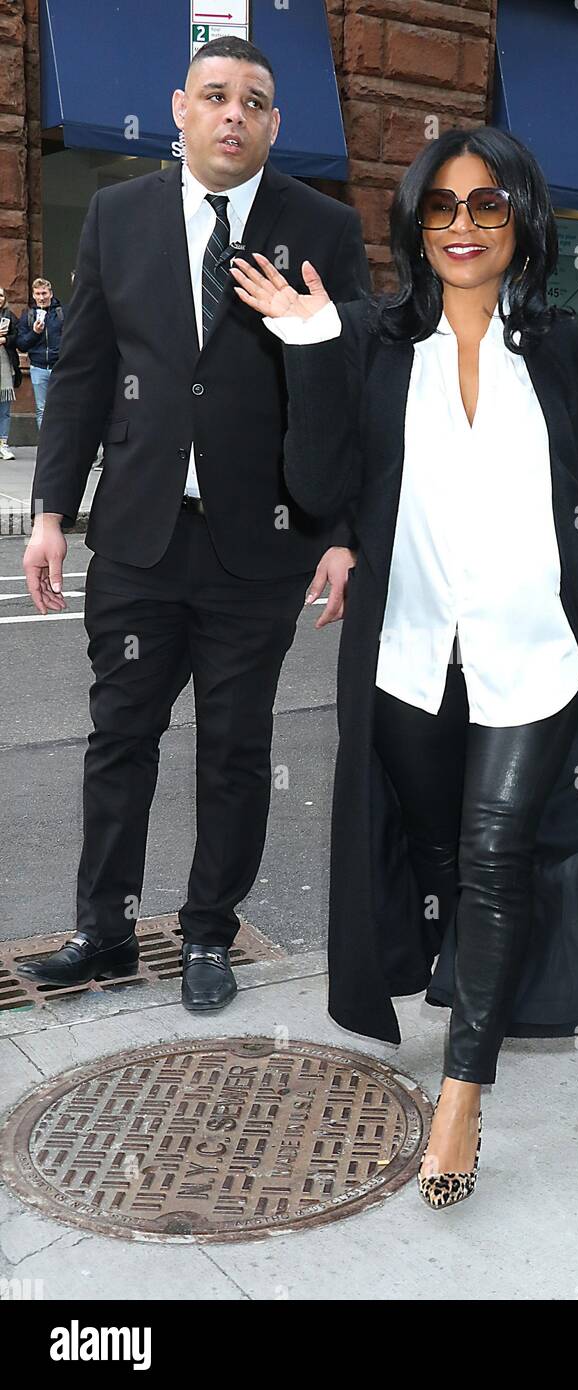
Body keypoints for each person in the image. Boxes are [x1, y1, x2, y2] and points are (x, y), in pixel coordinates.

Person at [231, 125, 578, 1207]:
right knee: (433, 847)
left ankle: (461, 1097)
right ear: (415, 223)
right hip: (413, 655)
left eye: (484, 206)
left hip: (530, 652)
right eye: (440, 207)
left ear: (519, 221)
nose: (461, 227)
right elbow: (319, 474)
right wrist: (305, 345)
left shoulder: (562, 345)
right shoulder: (374, 337)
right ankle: (466, 966)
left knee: (489, 855)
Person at [20, 37, 369, 1011]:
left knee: (235, 745)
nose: (232, 115)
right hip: (138, 536)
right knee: (118, 736)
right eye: (214, 96)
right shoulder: (117, 216)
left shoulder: (324, 230)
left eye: (253, 102)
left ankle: (209, 931)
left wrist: (339, 531)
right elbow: (84, 373)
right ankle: (103, 927)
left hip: (258, 546)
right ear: (179, 107)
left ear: (273, 124)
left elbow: (346, 395)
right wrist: (51, 511)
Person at [16, 278, 63, 429]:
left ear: (51, 293)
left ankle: (61, 446)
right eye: (38, 294)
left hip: (60, 367)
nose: (41, 297)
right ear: (34, 295)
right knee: (42, 409)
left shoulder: (61, 313)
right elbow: (21, 345)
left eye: (44, 293)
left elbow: (72, 338)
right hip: (38, 367)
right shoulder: (28, 316)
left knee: (62, 407)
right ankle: (46, 448)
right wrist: (35, 333)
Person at [0, 286, 21, 459]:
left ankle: (3, 444)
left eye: (0, 295)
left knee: (5, 411)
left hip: (6, 370)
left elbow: (19, 339)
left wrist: (6, 339)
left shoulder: (9, 316)